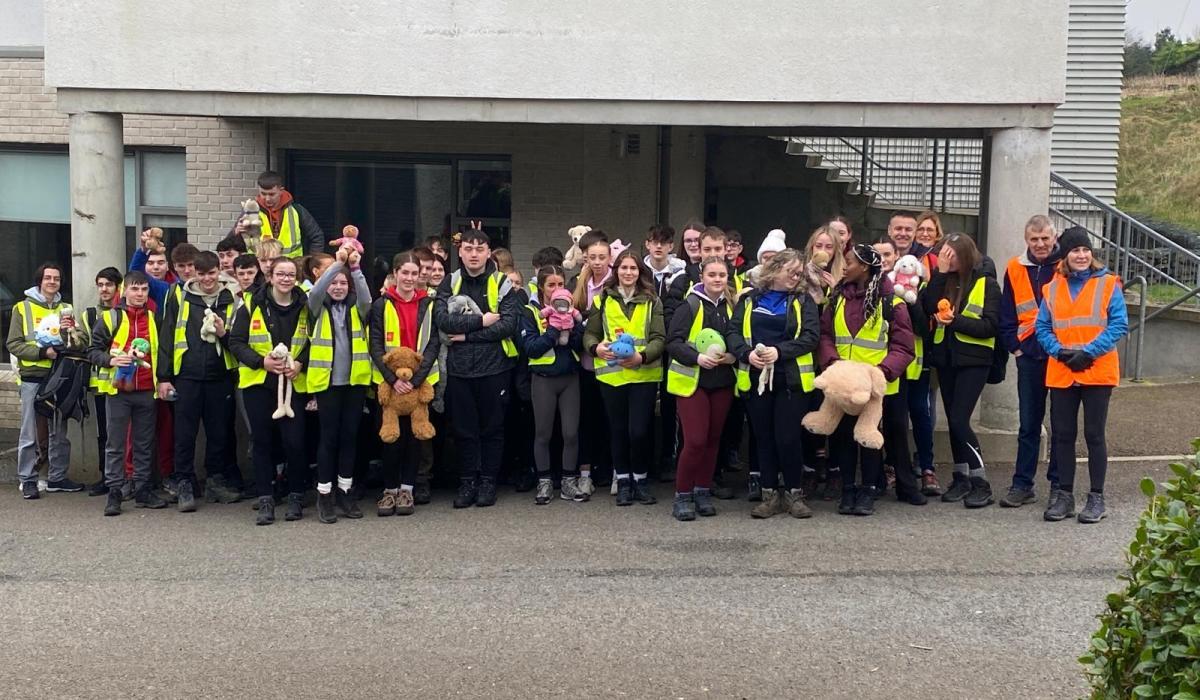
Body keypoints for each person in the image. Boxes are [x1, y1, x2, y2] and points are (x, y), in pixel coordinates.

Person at [1036, 227, 1127, 524]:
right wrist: (1060, 352)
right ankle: (1064, 495)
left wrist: (1088, 352)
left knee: (1093, 435)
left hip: (1096, 369)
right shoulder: (1051, 288)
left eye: (1085, 250)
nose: (1081, 255)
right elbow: (1042, 327)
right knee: (1063, 436)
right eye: (1075, 250)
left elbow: (1118, 325)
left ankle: (1096, 497)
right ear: (1065, 256)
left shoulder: (1109, 284)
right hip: (1063, 370)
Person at [818, 244, 915, 516]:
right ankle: (848, 489)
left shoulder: (891, 302)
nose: (844, 266)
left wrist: (880, 373)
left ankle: (869, 490)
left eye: (849, 261)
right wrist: (833, 365)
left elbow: (904, 347)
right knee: (844, 437)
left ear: (864, 266)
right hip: (843, 384)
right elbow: (825, 336)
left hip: (874, 386)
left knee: (869, 438)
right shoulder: (836, 298)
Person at [726, 250, 820, 518]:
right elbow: (733, 332)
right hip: (756, 380)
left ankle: (794, 494)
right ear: (774, 269)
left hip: (791, 381)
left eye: (799, 272)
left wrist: (779, 351)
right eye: (791, 270)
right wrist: (747, 354)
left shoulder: (804, 301)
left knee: (788, 438)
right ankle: (768, 495)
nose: (796, 276)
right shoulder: (749, 300)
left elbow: (811, 337)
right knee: (763, 438)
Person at [433, 228, 521, 508]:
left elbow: (508, 325)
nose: (473, 254)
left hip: (494, 369)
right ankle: (467, 481)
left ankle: (487, 483)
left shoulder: (501, 282)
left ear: (488, 252)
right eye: (468, 249)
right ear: (460, 252)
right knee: (463, 430)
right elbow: (443, 321)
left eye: (479, 249)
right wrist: (483, 322)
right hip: (459, 370)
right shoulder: (450, 281)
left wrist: (469, 335)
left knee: (492, 429)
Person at [920, 233, 1001, 508]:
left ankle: (981, 482)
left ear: (964, 255)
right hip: (947, 359)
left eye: (950, 254)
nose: (945, 258)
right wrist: (940, 274)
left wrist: (955, 322)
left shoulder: (986, 284)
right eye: (943, 254)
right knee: (954, 422)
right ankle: (961, 476)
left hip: (974, 360)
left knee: (958, 420)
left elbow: (990, 326)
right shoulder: (945, 280)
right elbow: (929, 306)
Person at [228, 257, 311, 524]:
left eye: (291, 275)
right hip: (259, 384)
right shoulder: (251, 304)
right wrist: (261, 362)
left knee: (295, 443)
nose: (286, 279)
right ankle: (266, 498)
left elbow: (316, 341)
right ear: (270, 277)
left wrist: (300, 363)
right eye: (281, 274)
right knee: (262, 443)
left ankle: (296, 495)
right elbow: (236, 342)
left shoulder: (306, 305)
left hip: (293, 383)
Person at [156, 251, 241, 511]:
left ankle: (215, 480)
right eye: (201, 274)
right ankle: (184, 482)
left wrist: (223, 333)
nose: (207, 279)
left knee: (219, 433)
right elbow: (167, 336)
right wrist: (164, 377)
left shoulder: (231, 297)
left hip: (221, 375)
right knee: (185, 433)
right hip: (187, 376)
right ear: (194, 272)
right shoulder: (179, 295)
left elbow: (237, 338)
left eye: (211, 273)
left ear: (219, 272)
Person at [583, 249, 666, 506]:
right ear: (615, 270)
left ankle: (641, 479)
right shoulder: (602, 300)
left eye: (633, 268)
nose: (628, 273)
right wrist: (595, 348)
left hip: (643, 374)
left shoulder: (653, 300)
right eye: (623, 268)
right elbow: (590, 334)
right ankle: (624, 482)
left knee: (639, 431)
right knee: (618, 431)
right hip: (612, 376)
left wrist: (641, 357)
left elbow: (659, 339)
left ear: (640, 272)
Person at [87, 271, 168, 515]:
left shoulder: (155, 318)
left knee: (144, 443)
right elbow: (92, 350)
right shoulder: (111, 317)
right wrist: (111, 360)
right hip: (119, 390)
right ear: (125, 291)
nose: (140, 294)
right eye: (135, 289)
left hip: (146, 390)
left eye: (144, 289)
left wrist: (163, 380)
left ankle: (142, 489)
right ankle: (114, 492)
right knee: (115, 444)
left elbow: (162, 354)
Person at [998, 215, 1064, 508]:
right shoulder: (1014, 267)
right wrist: (1015, 347)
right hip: (1029, 356)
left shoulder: (1066, 265)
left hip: (1062, 355)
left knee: (1062, 426)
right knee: (1028, 425)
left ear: (1054, 237)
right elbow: (1007, 312)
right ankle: (1022, 484)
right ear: (1027, 240)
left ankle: (1059, 485)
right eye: (1034, 239)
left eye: (1044, 239)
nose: (1039, 244)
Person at [667, 256, 739, 520]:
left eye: (722, 275)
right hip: (692, 382)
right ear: (702, 276)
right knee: (695, 440)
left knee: (712, 440)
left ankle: (702, 490)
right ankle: (682, 494)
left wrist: (733, 356)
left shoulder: (732, 306)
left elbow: (738, 340)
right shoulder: (690, 305)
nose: (718, 279)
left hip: (722, 382)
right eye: (712, 275)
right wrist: (697, 358)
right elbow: (673, 342)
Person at [306, 244, 374, 523]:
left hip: (355, 383)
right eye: (333, 283)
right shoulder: (315, 307)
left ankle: (346, 491)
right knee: (328, 439)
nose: (337, 287)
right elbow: (315, 291)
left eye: (342, 283)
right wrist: (337, 264)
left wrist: (355, 268)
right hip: (328, 384)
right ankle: (325, 495)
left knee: (350, 439)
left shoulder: (357, 309)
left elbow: (368, 298)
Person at [369, 252, 440, 515]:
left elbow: (433, 343)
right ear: (395, 274)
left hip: (418, 385)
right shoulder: (380, 305)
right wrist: (392, 380)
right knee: (390, 439)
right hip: (389, 386)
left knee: (414, 440)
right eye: (405, 273)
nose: (409, 278)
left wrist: (417, 381)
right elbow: (374, 344)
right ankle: (389, 491)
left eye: (414, 273)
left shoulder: (429, 304)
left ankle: (407, 491)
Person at [7, 263, 84, 498]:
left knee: (59, 429)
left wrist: (71, 335)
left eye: (57, 279)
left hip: (60, 376)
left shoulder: (67, 308)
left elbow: (78, 344)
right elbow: (13, 344)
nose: (52, 282)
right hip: (33, 376)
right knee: (29, 431)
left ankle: (57, 477)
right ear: (39, 280)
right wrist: (42, 353)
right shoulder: (22, 308)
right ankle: (28, 479)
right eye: (48, 278)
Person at [519, 264, 585, 504]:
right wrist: (553, 331)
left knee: (570, 432)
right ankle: (544, 482)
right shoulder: (530, 312)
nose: (556, 289)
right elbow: (530, 348)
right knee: (543, 433)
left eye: (560, 284)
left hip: (569, 378)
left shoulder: (572, 309)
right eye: (551, 285)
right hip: (543, 379)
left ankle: (569, 481)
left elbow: (580, 344)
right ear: (541, 288)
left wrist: (572, 328)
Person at [643, 224, 687, 481]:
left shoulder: (681, 273)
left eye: (664, 242)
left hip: (671, 345)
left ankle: (668, 458)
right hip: (645, 346)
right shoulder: (638, 270)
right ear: (647, 244)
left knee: (671, 404)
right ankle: (647, 460)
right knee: (646, 402)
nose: (658, 246)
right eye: (653, 241)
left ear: (671, 246)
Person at [570, 231, 612, 494]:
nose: (597, 262)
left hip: (610, 363)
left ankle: (606, 469)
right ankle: (585, 472)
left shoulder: (614, 283)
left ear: (610, 258)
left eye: (602, 257)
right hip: (585, 363)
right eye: (592, 257)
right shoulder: (578, 282)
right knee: (586, 419)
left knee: (609, 420)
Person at [85, 267, 123, 497]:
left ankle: (124, 478)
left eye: (109, 284)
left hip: (125, 381)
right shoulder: (89, 315)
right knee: (105, 433)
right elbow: (85, 345)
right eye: (100, 285)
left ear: (119, 287)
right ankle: (106, 477)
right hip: (101, 383)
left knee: (124, 434)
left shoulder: (126, 312)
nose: (104, 289)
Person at [232, 170, 326, 259]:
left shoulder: (297, 210)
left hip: (290, 270)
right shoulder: (250, 211)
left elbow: (317, 237)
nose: (267, 199)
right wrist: (236, 233)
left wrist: (310, 263)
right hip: (259, 268)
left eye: (272, 194)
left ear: (281, 191)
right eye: (263, 194)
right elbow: (230, 243)